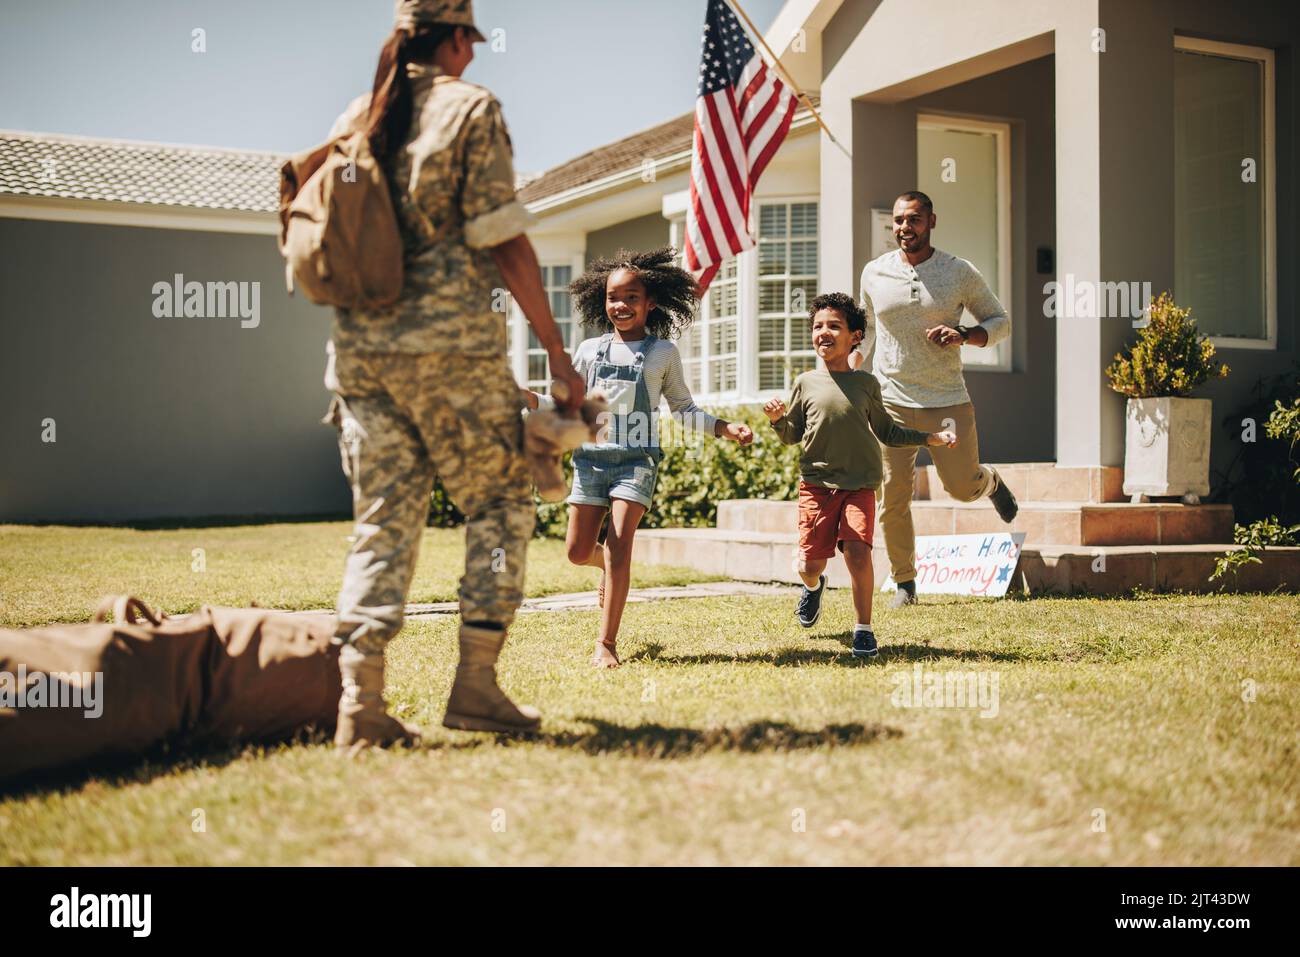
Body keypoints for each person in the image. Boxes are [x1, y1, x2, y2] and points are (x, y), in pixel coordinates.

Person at [323, 0, 585, 748]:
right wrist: (558, 358)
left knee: (382, 521)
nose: (474, 52)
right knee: (501, 499)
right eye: (471, 38)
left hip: (359, 355)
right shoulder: (470, 109)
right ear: (457, 40)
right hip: (450, 351)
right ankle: (476, 684)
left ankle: (359, 707)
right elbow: (505, 241)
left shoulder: (358, 113)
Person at [524, 248, 753, 668]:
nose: (621, 305)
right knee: (577, 551)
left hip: (636, 462)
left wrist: (723, 427)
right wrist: (526, 398)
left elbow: (683, 408)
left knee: (619, 546)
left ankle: (606, 643)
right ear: (602, 301)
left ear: (650, 303)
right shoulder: (589, 351)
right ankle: (605, 570)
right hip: (590, 460)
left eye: (632, 297)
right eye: (614, 297)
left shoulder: (662, 352)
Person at [765, 293, 955, 658]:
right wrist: (776, 420)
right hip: (817, 485)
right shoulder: (805, 383)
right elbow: (791, 435)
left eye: (833, 326)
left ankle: (863, 629)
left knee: (857, 552)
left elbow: (888, 432)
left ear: (854, 336)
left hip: (861, 484)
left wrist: (929, 438)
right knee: (809, 564)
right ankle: (814, 585)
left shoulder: (866, 384)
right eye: (818, 326)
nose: (824, 332)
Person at [855, 190, 1018, 609]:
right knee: (893, 494)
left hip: (946, 399)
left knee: (962, 488)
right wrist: (854, 358)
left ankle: (991, 481)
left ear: (931, 221)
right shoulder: (874, 273)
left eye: (913, 220)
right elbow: (868, 327)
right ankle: (905, 582)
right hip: (890, 397)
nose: (904, 228)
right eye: (898, 221)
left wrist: (964, 335)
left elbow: (999, 322)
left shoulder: (958, 271)